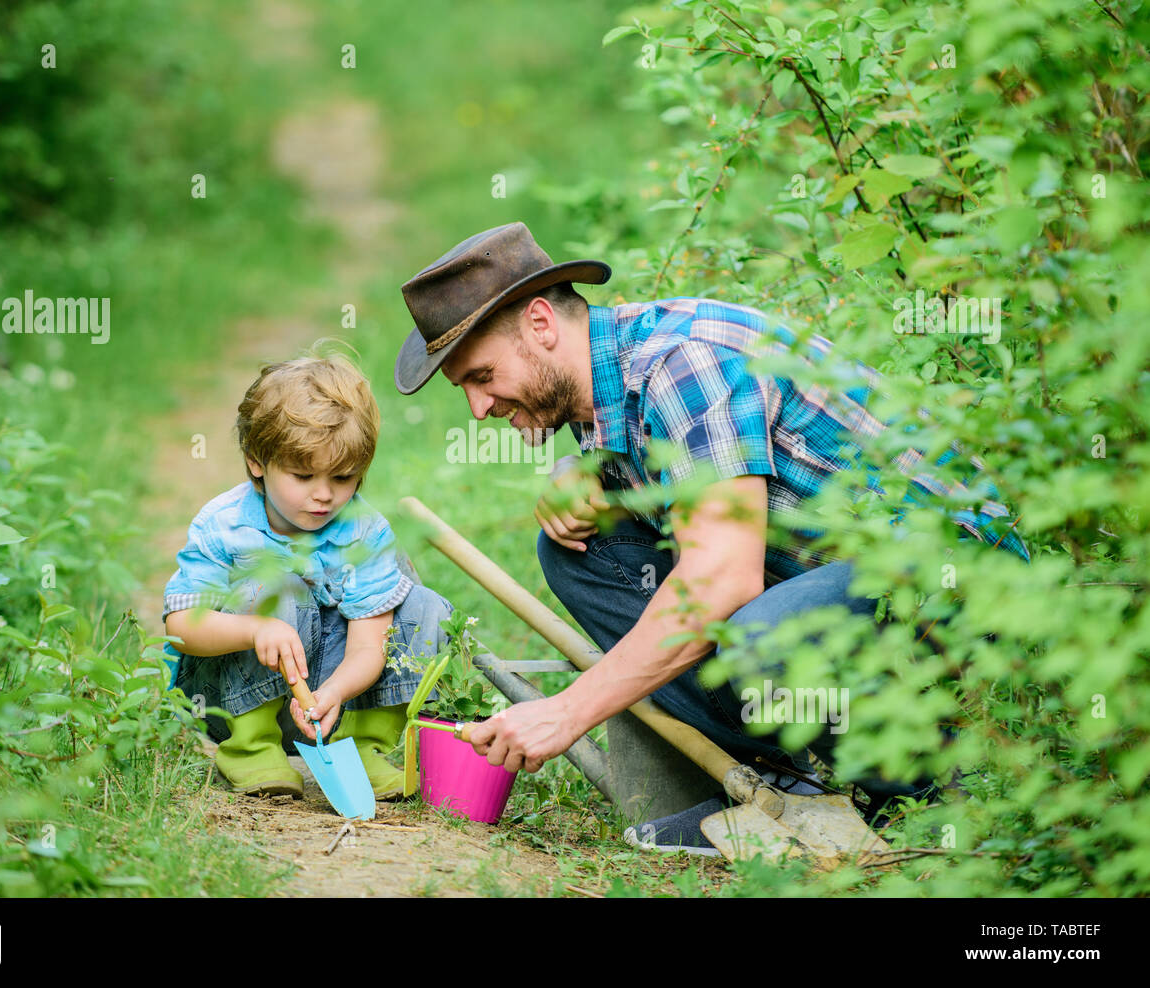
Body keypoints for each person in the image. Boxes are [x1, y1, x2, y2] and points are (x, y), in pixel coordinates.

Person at [393, 221, 1028, 852]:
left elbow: (722, 576)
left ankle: (927, 792)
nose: (479, 409)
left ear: (540, 324)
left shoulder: (684, 362)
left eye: (482, 376)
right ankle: (783, 778)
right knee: (584, 550)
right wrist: (575, 468)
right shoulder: (604, 382)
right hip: (838, 581)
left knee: (759, 634)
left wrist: (568, 710)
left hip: (957, 578)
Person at [163, 352, 453, 799]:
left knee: (422, 604)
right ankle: (251, 750)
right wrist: (255, 628)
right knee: (278, 586)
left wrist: (335, 691)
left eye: (343, 477)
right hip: (233, 700)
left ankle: (362, 748)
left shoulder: (364, 531)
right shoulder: (224, 525)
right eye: (303, 475)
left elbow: (368, 643)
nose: (324, 495)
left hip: (326, 707)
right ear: (257, 461)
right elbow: (182, 629)